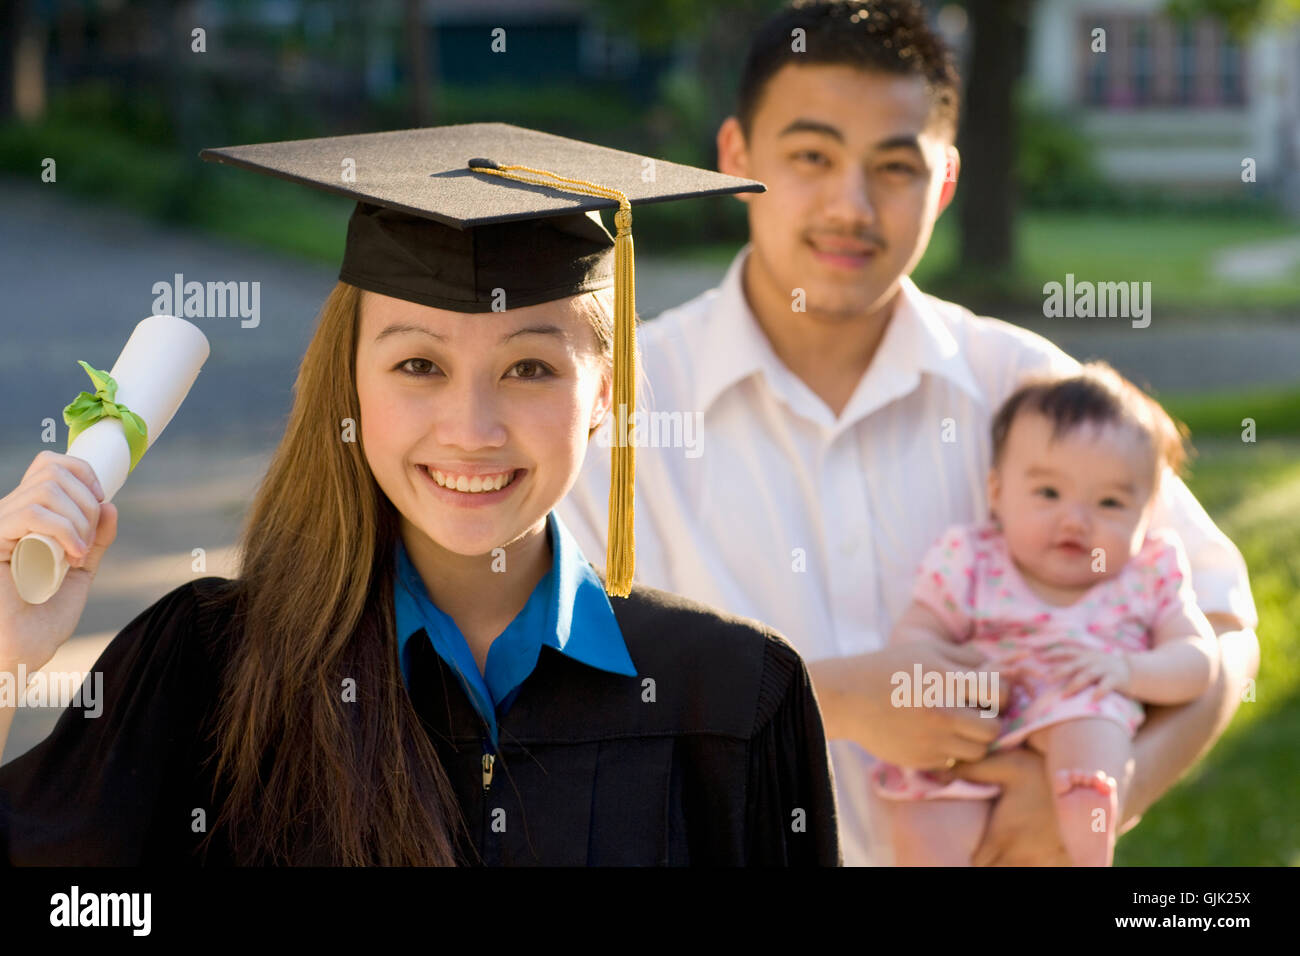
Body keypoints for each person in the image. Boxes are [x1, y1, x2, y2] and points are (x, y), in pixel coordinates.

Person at [0, 124, 841, 866]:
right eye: (418, 365)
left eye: (529, 368)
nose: (471, 429)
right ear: (350, 387)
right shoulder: (207, 673)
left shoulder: (728, 698)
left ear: (606, 399)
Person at [559, 0, 1260, 866]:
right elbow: (546, 712)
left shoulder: (1028, 389)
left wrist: (1112, 794)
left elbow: (1227, 626)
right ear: (737, 157)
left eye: (894, 166)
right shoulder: (615, 412)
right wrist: (826, 699)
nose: (850, 205)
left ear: (947, 180)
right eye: (811, 156)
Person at [872, 363, 1219, 867]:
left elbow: (1197, 658)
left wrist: (1128, 672)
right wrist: (952, 680)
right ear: (997, 494)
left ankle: (1086, 845)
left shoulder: (1148, 572)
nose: (1075, 520)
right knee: (927, 816)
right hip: (975, 723)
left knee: (1093, 729)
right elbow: (914, 636)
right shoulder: (971, 559)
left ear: (1148, 512)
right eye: (1048, 493)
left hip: (1079, 701)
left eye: (1109, 502)